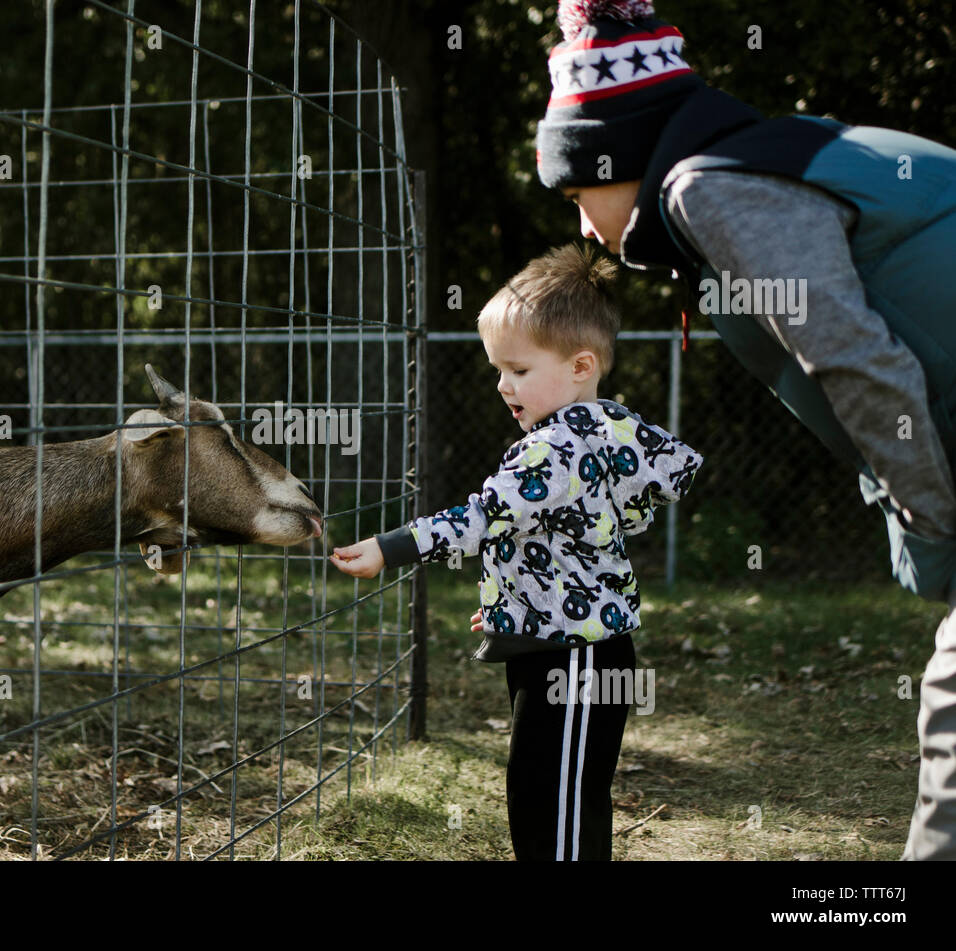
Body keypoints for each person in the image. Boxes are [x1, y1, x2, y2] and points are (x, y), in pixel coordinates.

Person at [535, 0, 956, 859]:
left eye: (579, 193)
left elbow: (857, 360)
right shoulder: (773, 151)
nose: (583, 225)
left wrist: (936, 523)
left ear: (619, 154)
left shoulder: (711, 187)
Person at [330, 243, 703, 860]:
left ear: (581, 365)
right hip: (565, 646)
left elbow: (480, 518)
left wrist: (388, 548)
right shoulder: (609, 430)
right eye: (498, 370)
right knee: (549, 791)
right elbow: (595, 526)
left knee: (554, 800)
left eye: (520, 370)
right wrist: (518, 605)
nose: (504, 385)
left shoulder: (553, 449)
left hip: (576, 660)